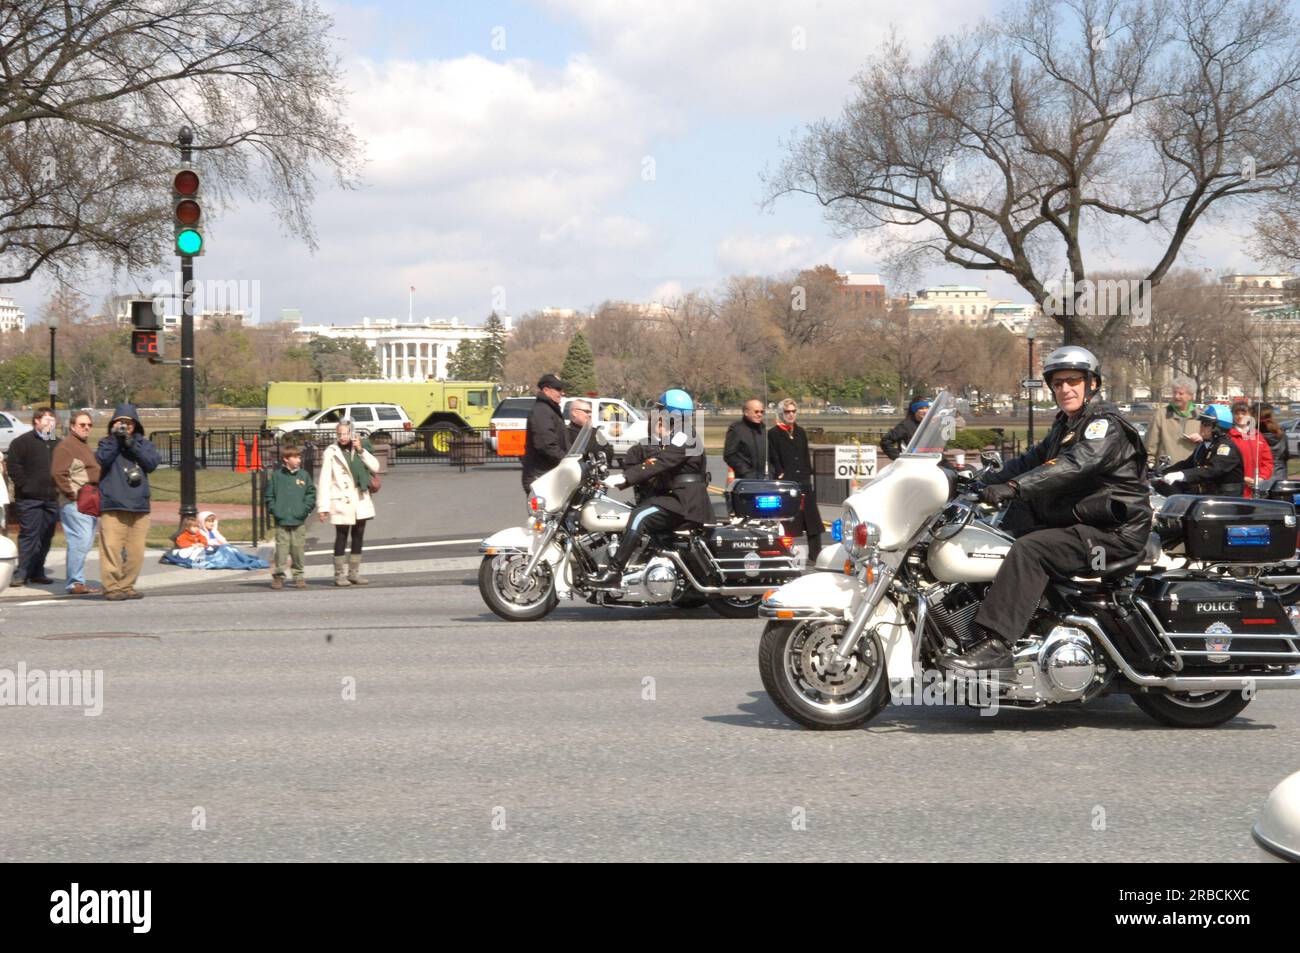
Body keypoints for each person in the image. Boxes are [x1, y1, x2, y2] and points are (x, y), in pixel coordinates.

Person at [950, 346, 1152, 671]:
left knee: (1031, 550)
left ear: (1092, 384)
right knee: (1002, 530)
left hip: (1114, 531)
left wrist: (1013, 488)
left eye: (1073, 380)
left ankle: (999, 643)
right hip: (1082, 523)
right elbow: (1030, 460)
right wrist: (974, 479)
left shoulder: (1105, 426)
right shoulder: (1066, 425)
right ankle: (1025, 622)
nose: (1065, 389)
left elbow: (1075, 464)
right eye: (1058, 383)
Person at [590, 389, 712, 586]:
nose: (657, 412)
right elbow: (652, 459)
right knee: (640, 511)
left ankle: (615, 572)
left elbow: (662, 462)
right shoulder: (676, 435)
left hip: (685, 501)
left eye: (661, 409)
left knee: (640, 516)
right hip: (677, 497)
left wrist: (623, 478)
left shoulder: (685, 436)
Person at [96, 404, 161, 601]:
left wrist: (131, 443)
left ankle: (127, 585)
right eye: (120, 422)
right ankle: (112, 587)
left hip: (139, 505)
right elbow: (102, 459)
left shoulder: (144, 444)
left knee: (136, 553)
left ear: (136, 425)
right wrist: (117, 439)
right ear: (113, 424)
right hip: (114, 504)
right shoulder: (106, 442)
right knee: (112, 549)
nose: (125, 426)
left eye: (128, 423)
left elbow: (151, 463)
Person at [317, 419, 379, 586]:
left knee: (358, 535)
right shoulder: (331, 451)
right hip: (341, 499)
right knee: (341, 536)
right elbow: (324, 480)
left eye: (345, 433)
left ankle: (354, 573)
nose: (343, 437)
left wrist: (361, 450)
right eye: (339, 434)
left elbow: (375, 467)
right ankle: (339, 574)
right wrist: (323, 507)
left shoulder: (359, 448)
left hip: (360, 498)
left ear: (351, 433)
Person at [6, 407, 60, 587]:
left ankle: (38, 571)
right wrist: (26, 486)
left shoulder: (58, 443)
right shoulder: (22, 442)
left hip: (51, 498)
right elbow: (13, 466)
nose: (50, 423)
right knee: (29, 536)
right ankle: (22, 572)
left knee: (46, 536)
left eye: (52, 420)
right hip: (29, 498)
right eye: (46, 420)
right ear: (36, 421)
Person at [51, 409, 102, 595]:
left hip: (89, 500)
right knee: (80, 540)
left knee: (85, 541)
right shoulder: (66, 446)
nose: (86, 428)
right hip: (76, 502)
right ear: (72, 426)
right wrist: (72, 494)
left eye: (89, 425)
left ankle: (76, 580)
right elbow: (58, 473)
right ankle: (74, 583)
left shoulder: (82, 445)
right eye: (82, 425)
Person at [767, 398, 823, 559]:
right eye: (787, 412)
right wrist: (780, 473)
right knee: (789, 521)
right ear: (781, 413)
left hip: (803, 481)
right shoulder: (774, 434)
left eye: (793, 411)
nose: (791, 415)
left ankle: (816, 554)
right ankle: (786, 553)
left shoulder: (800, 432)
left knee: (813, 521)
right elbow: (774, 457)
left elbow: (805, 455)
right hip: (788, 482)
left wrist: (807, 473)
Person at [1155, 404, 1244, 496]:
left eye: (1206, 424)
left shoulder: (1226, 447)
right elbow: (1187, 464)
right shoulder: (1205, 446)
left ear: (1217, 428)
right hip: (1210, 497)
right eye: (1201, 423)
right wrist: (1162, 472)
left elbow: (1212, 470)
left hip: (1225, 501)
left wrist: (1182, 475)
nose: (1201, 427)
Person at [266, 441, 315, 589]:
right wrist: (276, 510)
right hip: (282, 520)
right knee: (281, 550)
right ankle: (279, 575)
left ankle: (298, 575)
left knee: (298, 549)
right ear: (286, 459)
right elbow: (269, 496)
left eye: (299, 457)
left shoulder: (304, 475)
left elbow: (311, 495)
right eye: (295, 457)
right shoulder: (277, 476)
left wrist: (304, 510)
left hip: (298, 520)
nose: (299, 460)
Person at [521, 373, 568, 495]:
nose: (562, 393)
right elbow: (546, 445)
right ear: (546, 390)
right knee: (544, 512)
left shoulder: (550, 409)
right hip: (540, 475)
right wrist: (566, 461)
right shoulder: (541, 411)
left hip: (549, 473)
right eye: (558, 389)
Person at [1145, 378, 1201, 465]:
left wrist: (1202, 439)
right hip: (1166, 471)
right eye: (1174, 393)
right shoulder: (1161, 415)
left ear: (1190, 396)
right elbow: (1150, 446)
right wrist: (1149, 466)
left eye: (1180, 393)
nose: (1176, 396)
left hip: (1191, 473)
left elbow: (1210, 445)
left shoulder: (1200, 417)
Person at [1228, 401, 1273, 498]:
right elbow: (1224, 464)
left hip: (1256, 488)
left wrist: (1261, 477)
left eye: (1243, 413)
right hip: (1236, 488)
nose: (1240, 416)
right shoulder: (1229, 436)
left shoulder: (1257, 435)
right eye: (1237, 413)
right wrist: (1242, 478)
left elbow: (1267, 460)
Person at [724, 398, 769, 481]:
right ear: (746, 412)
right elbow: (729, 455)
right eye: (756, 412)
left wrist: (771, 472)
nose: (759, 414)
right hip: (745, 479)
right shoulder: (736, 429)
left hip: (764, 479)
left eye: (762, 412)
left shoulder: (763, 428)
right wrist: (745, 472)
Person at [1258, 404, 1290, 493]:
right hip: (1279, 477)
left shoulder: (1256, 436)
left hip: (1263, 477)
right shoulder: (1282, 434)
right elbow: (1286, 455)